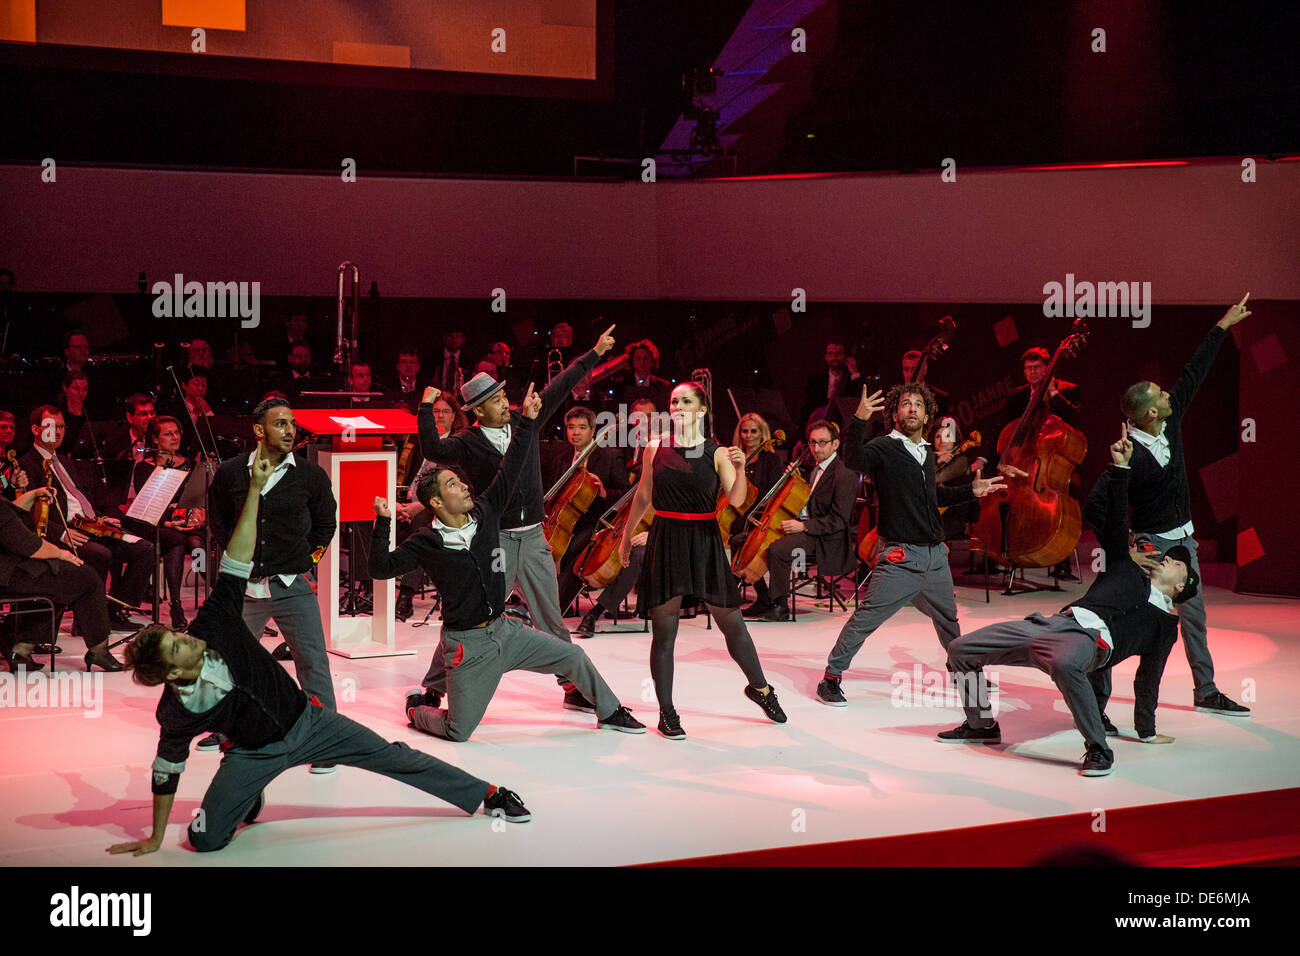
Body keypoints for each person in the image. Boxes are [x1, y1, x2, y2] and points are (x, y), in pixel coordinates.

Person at [110, 453, 530, 858]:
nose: (189, 640)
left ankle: (487, 793)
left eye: (178, 637)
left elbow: (237, 555)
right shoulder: (175, 712)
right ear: (171, 672)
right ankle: (246, 800)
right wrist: (155, 836)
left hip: (311, 723)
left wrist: (255, 488)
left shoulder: (213, 624)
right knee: (204, 840)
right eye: (179, 646)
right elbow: (165, 771)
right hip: (253, 753)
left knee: (394, 756)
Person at [372, 382, 644, 741]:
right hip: (469, 646)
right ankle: (418, 704)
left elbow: (512, 467)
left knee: (570, 652)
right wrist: (383, 521)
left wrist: (529, 423)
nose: (467, 487)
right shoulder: (429, 541)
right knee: (459, 730)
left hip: (507, 631)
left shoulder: (487, 514)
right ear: (437, 503)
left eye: (461, 481)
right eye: (455, 484)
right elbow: (380, 568)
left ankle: (608, 709)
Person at [941, 428, 1193, 777]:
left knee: (1063, 662)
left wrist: (1147, 733)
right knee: (960, 650)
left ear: (1179, 586)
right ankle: (981, 724)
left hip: (1089, 642)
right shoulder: (1126, 569)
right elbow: (1115, 521)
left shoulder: (1165, 624)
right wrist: (1119, 468)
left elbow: (1149, 679)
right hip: (1050, 623)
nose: (1167, 559)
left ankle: (1098, 749)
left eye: (1176, 562)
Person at [413, 325, 616, 714]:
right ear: (477, 410)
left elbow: (558, 387)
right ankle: (435, 687)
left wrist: (594, 353)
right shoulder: (467, 442)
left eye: (504, 394)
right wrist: (426, 407)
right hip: (497, 542)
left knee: (552, 620)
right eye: (496, 399)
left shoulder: (525, 421)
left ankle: (572, 685)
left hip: (535, 538)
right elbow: (432, 447)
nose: (505, 402)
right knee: (472, 615)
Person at [815, 384, 1006, 706]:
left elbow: (932, 498)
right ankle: (830, 678)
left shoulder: (925, 452)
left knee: (948, 619)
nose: (913, 408)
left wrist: (970, 492)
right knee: (866, 619)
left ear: (928, 415)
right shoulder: (884, 447)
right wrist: (859, 420)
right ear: (894, 413)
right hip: (900, 556)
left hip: (935, 556)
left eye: (919, 404)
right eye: (906, 404)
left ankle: (963, 671)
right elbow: (853, 458)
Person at [618, 381, 788, 739]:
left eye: (685, 401)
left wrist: (740, 469)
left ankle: (761, 689)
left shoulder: (719, 452)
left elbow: (738, 500)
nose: (677, 406)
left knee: (732, 623)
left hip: (704, 540)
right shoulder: (654, 448)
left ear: (702, 408)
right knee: (664, 633)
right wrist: (624, 535)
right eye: (673, 401)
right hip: (665, 540)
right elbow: (644, 495)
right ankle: (667, 712)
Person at [1117, 293, 1253, 718]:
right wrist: (1130, 545)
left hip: (1183, 540)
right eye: (1160, 393)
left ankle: (1206, 690)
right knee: (1143, 621)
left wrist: (1223, 326)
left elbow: (1194, 373)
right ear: (1150, 412)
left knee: (1193, 615)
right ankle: (1100, 680)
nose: (1168, 393)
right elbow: (1112, 502)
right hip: (1151, 545)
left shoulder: (1169, 420)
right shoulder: (1129, 455)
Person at [206, 398, 338, 770]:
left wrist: (305, 562)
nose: (290, 430)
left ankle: (324, 740)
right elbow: (220, 523)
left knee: (312, 662)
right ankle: (224, 727)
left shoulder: (310, 475)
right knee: (225, 662)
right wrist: (237, 562)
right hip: (243, 586)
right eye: (281, 424)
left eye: (292, 424)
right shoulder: (231, 473)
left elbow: (325, 526)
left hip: (291, 585)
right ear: (259, 431)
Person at [20, 405, 154, 634]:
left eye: (61, 426)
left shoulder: (65, 461)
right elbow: (27, 514)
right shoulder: (26, 464)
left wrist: (101, 519)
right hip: (61, 530)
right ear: (35, 429)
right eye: (52, 426)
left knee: (144, 548)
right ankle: (88, 620)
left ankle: (112, 610)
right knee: (101, 555)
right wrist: (61, 533)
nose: (59, 432)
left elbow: (80, 499)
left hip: (89, 524)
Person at [738, 419, 859, 621]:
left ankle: (780, 607)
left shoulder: (844, 476)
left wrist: (803, 525)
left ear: (835, 444)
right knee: (741, 540)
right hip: (803, 528)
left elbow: (838, 520)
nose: (816, 448)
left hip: (824, 537)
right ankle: (764, 599)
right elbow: (806, 502)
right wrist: (792, 482)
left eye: (822, 442)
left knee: (778, 549)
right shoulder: (814, 470)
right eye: (812, 442)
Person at [0, 485, 123, 672]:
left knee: (61, 579)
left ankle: (22, 651)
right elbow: (28, 544)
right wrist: (61, 554)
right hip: (7, 574)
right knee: (85, 577)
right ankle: (99, 650)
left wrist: (32, 494)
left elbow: (10, 512)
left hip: (7, 571)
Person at [542, 405, 629, 618]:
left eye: (582, 427)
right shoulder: (561, 457)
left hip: (596, 521)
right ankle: (537, 602)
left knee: (574, 547)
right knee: (538, 548)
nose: (576, 432)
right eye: (571, 427)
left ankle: (554, 608)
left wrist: (603, 492)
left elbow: (626, 493)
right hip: (563, 520)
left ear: (593, 431)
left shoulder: (609, 456)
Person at [130, 415, 204, 631]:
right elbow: (148, 504)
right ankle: (176, 604)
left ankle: (218, 595)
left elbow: (199, 496)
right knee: (178, 542)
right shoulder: (144, 468)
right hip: (160, 524)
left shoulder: (190, 465)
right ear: (155, 440)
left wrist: (198, 513)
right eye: (168, 434)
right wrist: (169, 522)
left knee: (197, 546)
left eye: (177, 432)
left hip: (189, 523)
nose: (175, 437)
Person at [801, 337, 862, 430]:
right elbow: (806, 410)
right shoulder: (815, 380)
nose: (834, 358)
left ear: (846, 356)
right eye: (831, 353)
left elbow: (860, 398)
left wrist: (855, 373)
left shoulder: (852, 379)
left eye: (838, 354)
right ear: (826, 357)